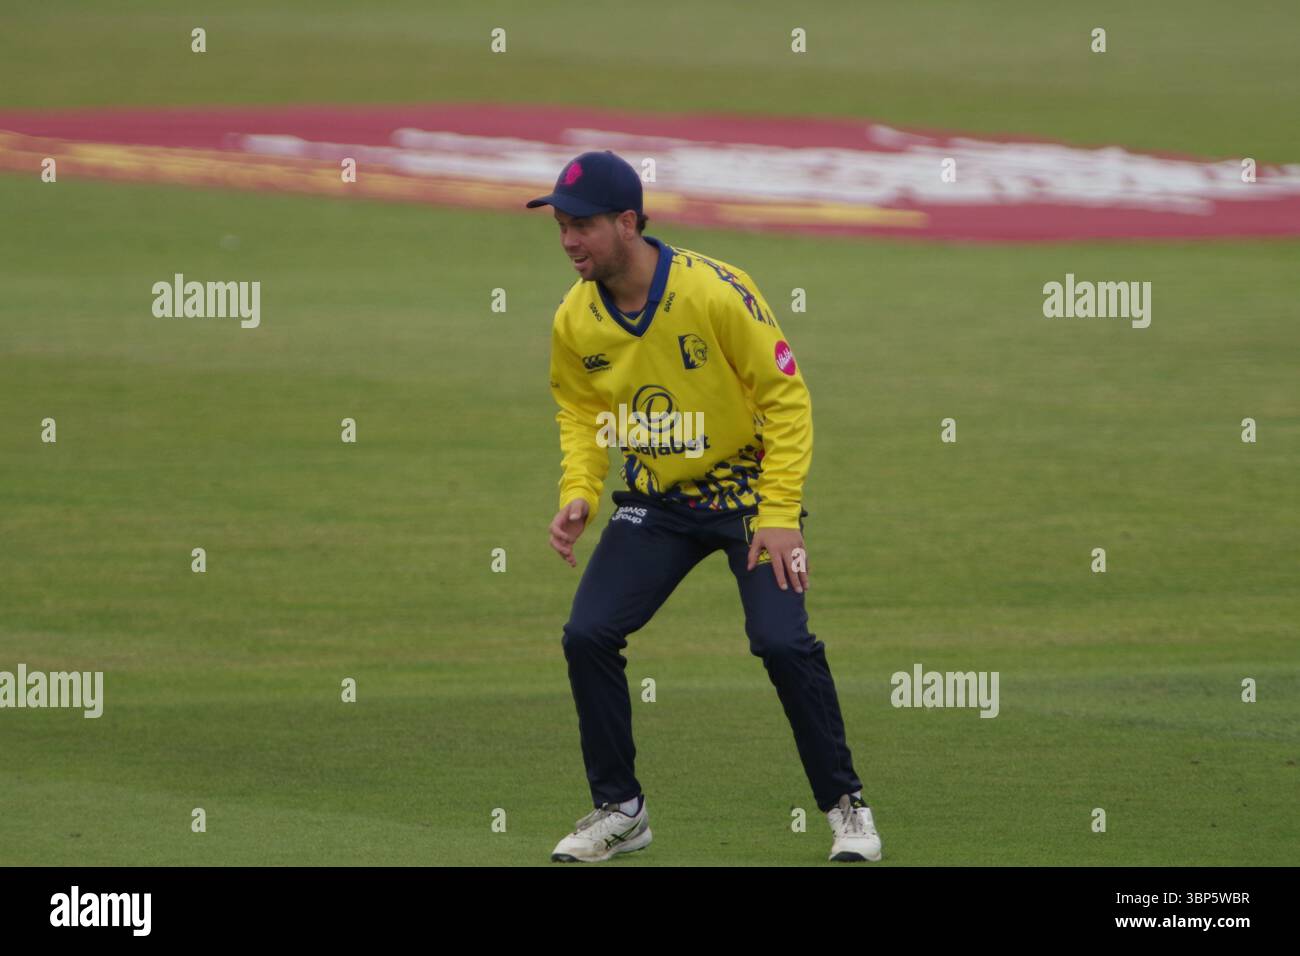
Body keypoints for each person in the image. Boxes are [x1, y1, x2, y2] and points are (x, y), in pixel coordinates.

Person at [527, 150, 881, 864]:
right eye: (562, 225)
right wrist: (580, 491)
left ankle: (848, 811)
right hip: (658, 501)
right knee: (587, 633)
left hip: (750, 495)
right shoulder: (576, 318)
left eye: (583, 226)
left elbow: (786, 397)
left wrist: (780, 514)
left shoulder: (716, 291)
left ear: (627, 222)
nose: (569, 241)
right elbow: (579, 410)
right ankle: (621, 811)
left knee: (782, 642)